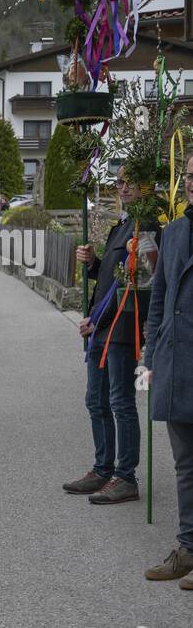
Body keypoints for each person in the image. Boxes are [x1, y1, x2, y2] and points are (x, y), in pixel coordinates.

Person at [65, 168, 159, 506]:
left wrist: (96, 320)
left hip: (123, 324)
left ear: (144, 185)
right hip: (103, 323)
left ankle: (125, 477)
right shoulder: (123, 224)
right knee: (96, 400)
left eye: (129, 182)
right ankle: (102, 468)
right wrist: (94, 264)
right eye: (119, 182)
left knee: (120, 402)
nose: (123, 188)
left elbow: (144, 280)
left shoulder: (145, 223)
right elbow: (113, 274)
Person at [141, 152, 193, 588]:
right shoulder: (174, 232)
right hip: (176, 362)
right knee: (185, 464)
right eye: (190, 177)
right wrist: (149, 357)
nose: (192, 183)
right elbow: (158, 298)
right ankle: (187, 549)